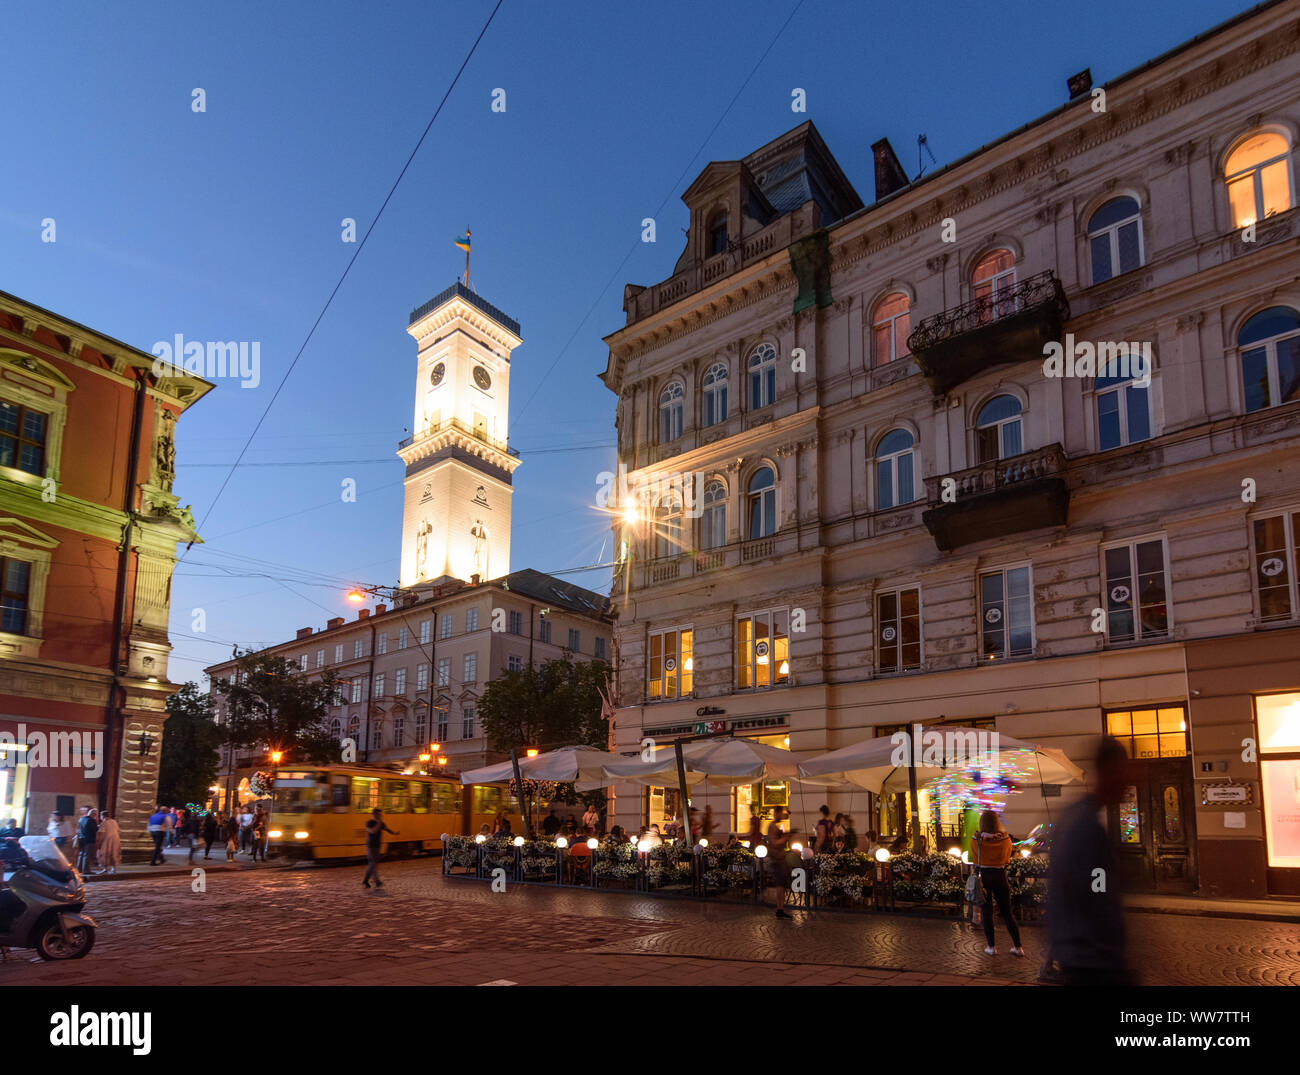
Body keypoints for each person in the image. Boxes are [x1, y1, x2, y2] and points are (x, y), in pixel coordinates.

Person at [1046, 736, 1135, 985]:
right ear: (1109, 770)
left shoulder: (1073, 817)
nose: (1128, 781)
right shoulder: (1087, 829)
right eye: (1123, 770)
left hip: (1081, 957)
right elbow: (1097, 893)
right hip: (1092, 963)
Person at [971, 809, 1024, 957]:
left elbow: (975, 858)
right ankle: (1018, 947)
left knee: (987, 913)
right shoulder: (1006, 839)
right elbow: (1007, 859)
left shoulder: (976, 840)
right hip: (1000, 875)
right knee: (1007, 912)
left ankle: (991, 947)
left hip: (984, 876)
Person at [765, 806, 796, 918]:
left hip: (779, 859)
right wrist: (786, 837)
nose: (783, 816)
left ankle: (780, 908)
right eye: (782, 813)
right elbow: (775, 843)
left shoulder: (774, 826)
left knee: (781, 885)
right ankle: (779, 909)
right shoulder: (772, 827)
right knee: (780, 885)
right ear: (777, 813)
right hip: (777, 860)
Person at [363, 808, 397, 888]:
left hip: (378, 846)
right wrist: (379, 823)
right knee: (372, 864)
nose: (380, 816)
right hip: (370, 846)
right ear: (374, 814)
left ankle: (376, 881)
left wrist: (394, 833)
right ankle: (366, 880)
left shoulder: (381, 823)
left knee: (374, 864)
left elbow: (387, 829)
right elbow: (372, 831)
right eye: (379, 814)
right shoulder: (369, 823)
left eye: (380, 814)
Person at [75, 806, 99, 874]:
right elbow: (95, 830)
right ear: (93, 814)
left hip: (81, 839)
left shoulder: (81, 819)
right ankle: (86, 870)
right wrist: (96, 823)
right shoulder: (91, 820)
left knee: (81, 855)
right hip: (89, 840)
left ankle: (79, 870)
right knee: (87, 855)